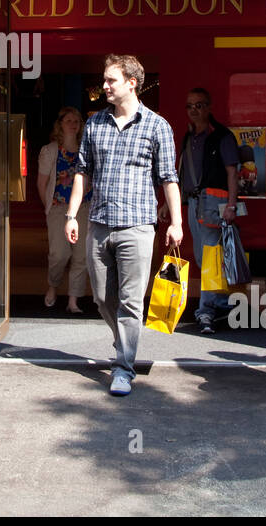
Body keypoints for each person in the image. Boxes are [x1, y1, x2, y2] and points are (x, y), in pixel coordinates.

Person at [67, 55, 182, 396]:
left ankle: (123, 368)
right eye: (104, 80)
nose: (104, 86)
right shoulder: (96, 124)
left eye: (110, 80)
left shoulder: (157, 126)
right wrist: (72, 214)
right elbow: (82, 172)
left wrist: (176, 222)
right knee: (103, 297)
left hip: (137, 227)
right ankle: (124, 344)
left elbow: (169, 178)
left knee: (131, 301)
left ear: (132, 82)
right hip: (100, 223)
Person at [177, 87, 239, 333]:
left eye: (199, 105)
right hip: (193, 202)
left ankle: (207, 311)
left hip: (214, 204)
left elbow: (232, 172)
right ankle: (220, 303)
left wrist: (231, 205)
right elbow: (182, 171)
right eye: (190, 106)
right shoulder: (188, 136)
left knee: (210, 257)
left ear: (209, 106)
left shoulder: (222, 136)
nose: (194, 110)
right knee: (205, 257)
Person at [37, 107, 89, 313]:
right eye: (68, 120)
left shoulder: (86, 149)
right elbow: (42, 183)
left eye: (76, 120)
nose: (73, 124)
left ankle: (73, 300)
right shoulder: (50, 150)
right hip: (58, 207)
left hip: (84, 207)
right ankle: (53, 285)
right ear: (60, 124)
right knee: (59, 254)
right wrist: (48, 207)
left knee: (81, 255)